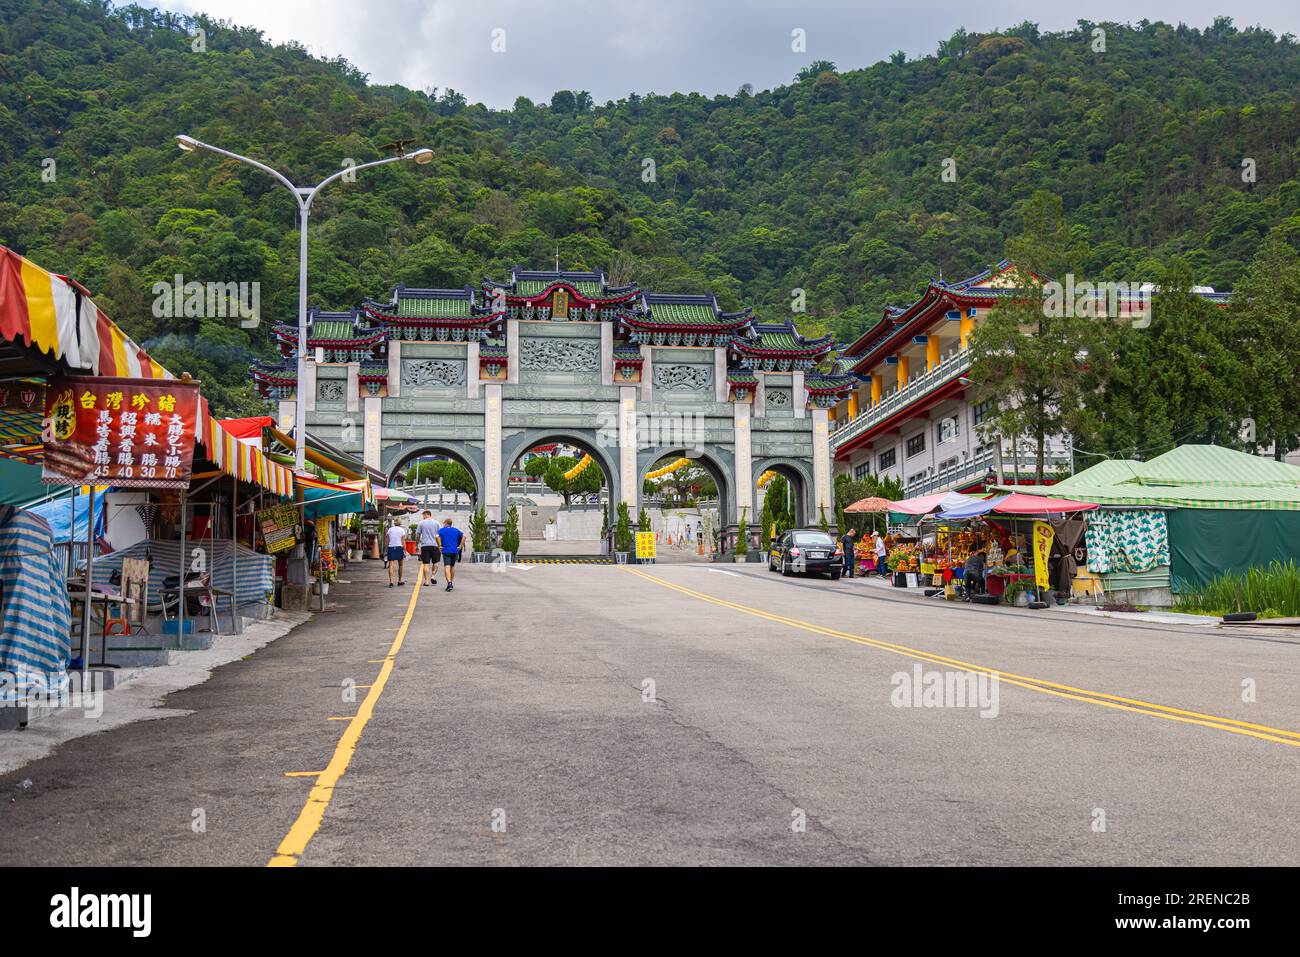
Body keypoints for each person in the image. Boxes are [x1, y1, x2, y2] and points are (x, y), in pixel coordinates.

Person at [436, 517, 465, 592]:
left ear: (446, 523)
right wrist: (460, 546)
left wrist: (439, 546)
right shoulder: (456, 530)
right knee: (452, 566)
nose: (443, 524)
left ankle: (449, 583)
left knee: (447, 566)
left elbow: (437, 537)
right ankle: (450, 582)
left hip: (446, 551)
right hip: (455, 551)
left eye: (443, 523)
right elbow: (464, 536)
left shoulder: (442, 530)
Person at [415, 509, 441, 587]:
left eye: (423, 515)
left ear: (426, 514)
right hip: (435, 545)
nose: (423, 517)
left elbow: (418, 535)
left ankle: (426, 581)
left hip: (425, 546)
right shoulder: (436, 523)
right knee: (436, 562)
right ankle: (433, 576)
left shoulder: (421, 523)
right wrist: (440, 545)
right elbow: (440, 534)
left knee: (426, 564)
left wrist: (416, 544)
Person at [385, 520, 407, 587]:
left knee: (391, 565)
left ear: (394, 523)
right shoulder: (402, 530)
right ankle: (399, 581)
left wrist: (386, 549)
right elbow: (403, 541)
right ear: (400, 523)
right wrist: (405, 550)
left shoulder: (390, 530)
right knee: (400, 565)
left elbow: (387, 540)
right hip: (399, 548)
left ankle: (391, 581)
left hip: (391, 547)